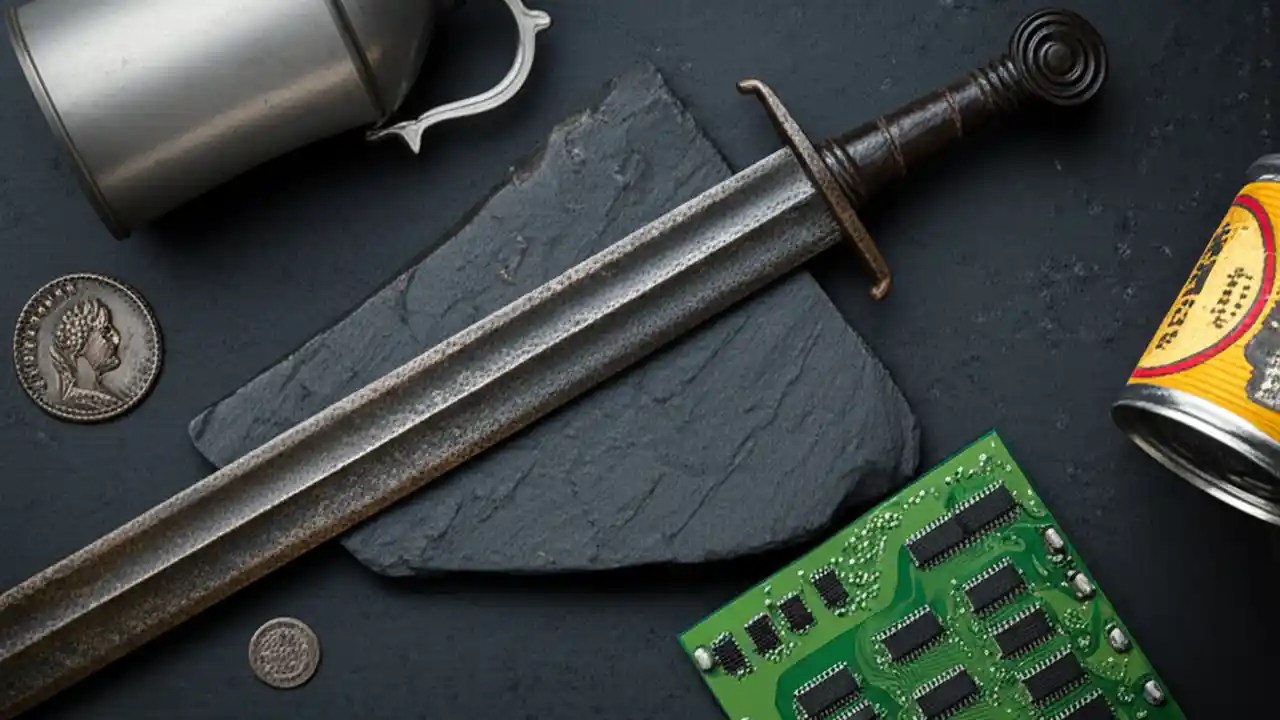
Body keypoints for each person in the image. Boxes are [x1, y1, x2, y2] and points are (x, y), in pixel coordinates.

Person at [49, 297, 124, 413]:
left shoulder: (107, 402)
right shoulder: (78, 402)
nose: (116, 339)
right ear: (80, 345)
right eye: (105, 332)